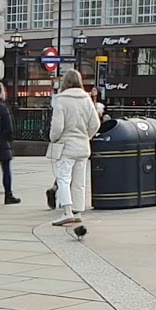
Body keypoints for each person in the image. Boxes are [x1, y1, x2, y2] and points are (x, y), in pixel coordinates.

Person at [46, 70, 100, 226]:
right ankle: (77, 211)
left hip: (66, 146)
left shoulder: (61, 100)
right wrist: (86, 136)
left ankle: (67, 211)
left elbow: (57, 127)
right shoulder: (86, 98)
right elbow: (95, 124)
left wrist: (53, 138)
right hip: (83, 146)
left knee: (63, 179)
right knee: (79, 181)